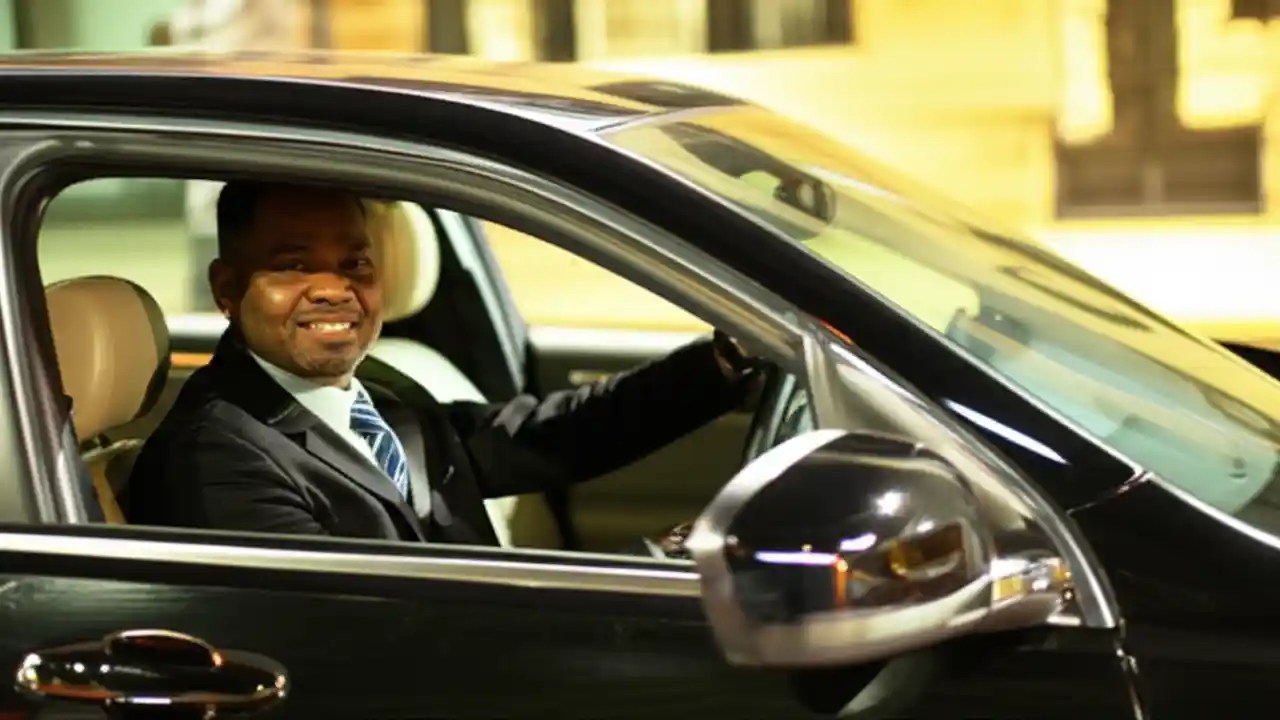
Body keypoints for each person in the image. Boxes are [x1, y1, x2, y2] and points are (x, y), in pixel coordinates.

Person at [127, 182, 759, 546]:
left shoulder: (380, 395)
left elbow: (551, 434)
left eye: (356, 264)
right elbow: (363, 637)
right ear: (227, 289)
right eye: (294, 266)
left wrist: (726, 361)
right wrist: (659, 564)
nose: (332, 289)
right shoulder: (213, 457)